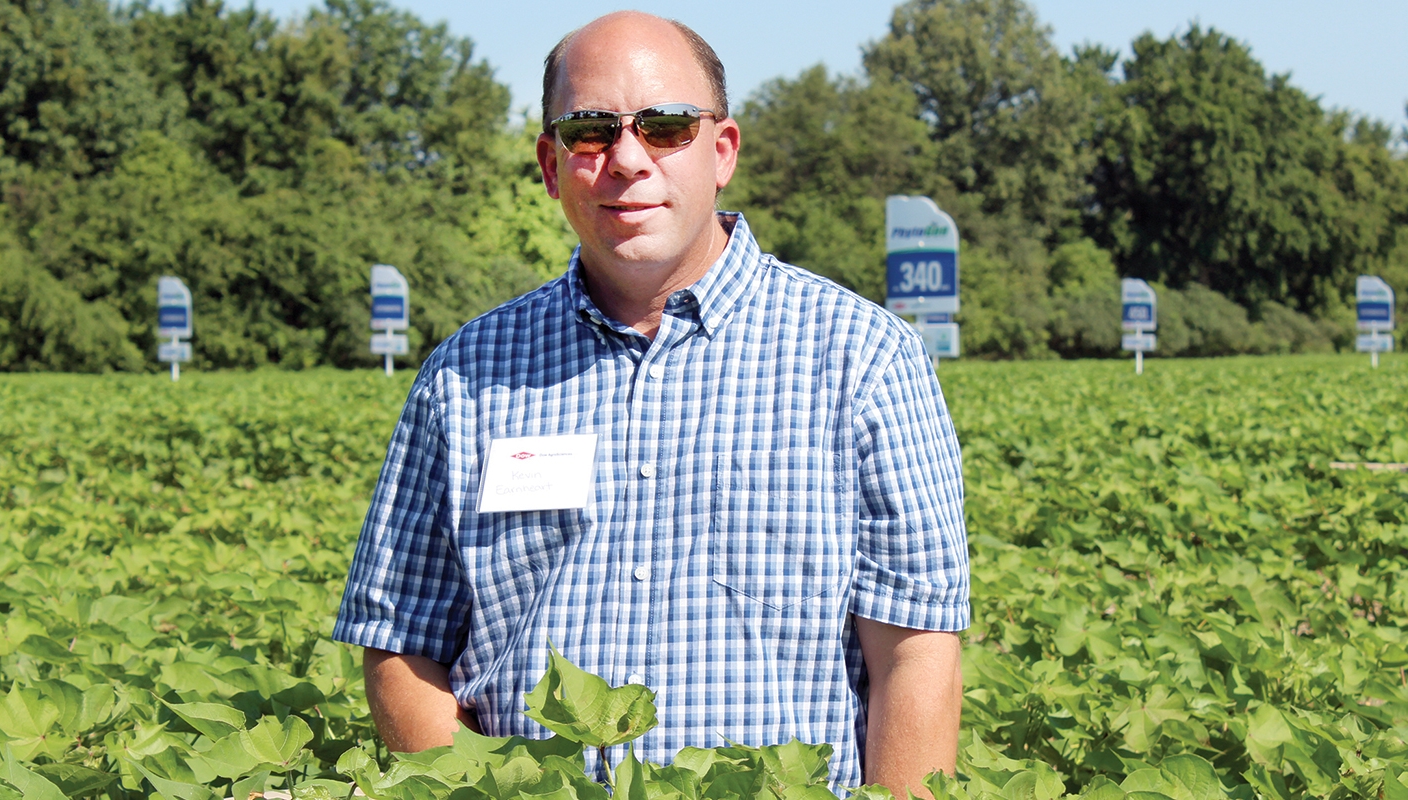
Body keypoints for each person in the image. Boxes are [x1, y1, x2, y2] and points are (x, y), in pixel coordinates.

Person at [333, 11, 970, 796]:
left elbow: (915, 653)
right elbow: (400, 639)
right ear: (550, 163)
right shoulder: (465, 375)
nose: (628, 160)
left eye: (666, 127)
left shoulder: (865, 359)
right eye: (590, 131)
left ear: (722, 150)